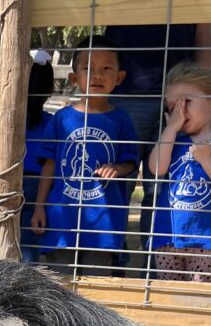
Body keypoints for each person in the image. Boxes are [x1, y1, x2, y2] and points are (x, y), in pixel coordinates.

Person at [94, 0, 211, 240]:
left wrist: (201, 94)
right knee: (110, 183)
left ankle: (154, 265)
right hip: (125, 92)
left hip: (177, 98)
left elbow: (203, 35)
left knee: (165, 189)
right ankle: (107, 263)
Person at [31, 36, 138, 274]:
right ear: (74, 78)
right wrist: (39, 207)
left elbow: (131, 161)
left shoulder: (121, 120)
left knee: (95, 288)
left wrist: (117, 168)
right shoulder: (61, 119)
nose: (97, 75)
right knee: (59, 286)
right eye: (88, 68)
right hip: (62, 223)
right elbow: (49, 165)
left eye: (106, 68)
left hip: (102, 224)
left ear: (119, 77)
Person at [149, 63, 211, 282]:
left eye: (186, 102)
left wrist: (206, 159)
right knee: (168, 295)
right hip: (168, 236)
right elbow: (156, 169)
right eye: (172, 107)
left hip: (208, 241)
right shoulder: (173, 140)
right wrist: (170, 129)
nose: (179, 112)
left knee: (201, 297)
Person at [19, 50, 55, 264]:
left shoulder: (4, 121)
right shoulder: (52, 123)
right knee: (29, 248)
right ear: (49, 89)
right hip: (40, 186)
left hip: (8, 183)